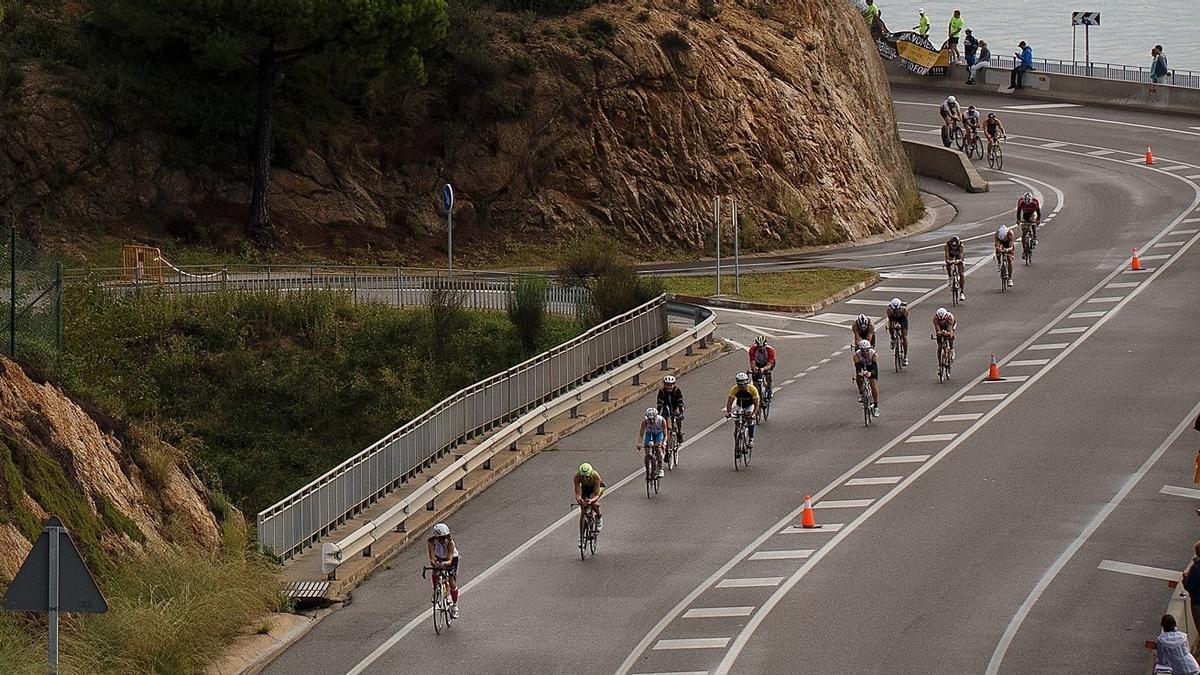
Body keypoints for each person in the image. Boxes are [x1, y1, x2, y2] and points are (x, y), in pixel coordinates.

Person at [427, 522, 461, 618]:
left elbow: (450, 560)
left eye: (446, 536)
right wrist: (434, 562)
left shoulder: (450, 542)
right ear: (436, 537)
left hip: (451, 558)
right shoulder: (431, 542)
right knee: (435, 571)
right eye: (442, 538)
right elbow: (432, 557)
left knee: (451, 580)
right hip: (439, 557)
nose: (444, 539)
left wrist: (443, 564)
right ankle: (436, 591)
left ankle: (455, 605)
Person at [725, 372, 760, 449]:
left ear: (747, 382)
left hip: (749, 405)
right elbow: (729, 402)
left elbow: (757, 403)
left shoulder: (752, 389)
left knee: (749, 419)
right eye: (740, 384)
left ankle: (751, 438)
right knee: (737, 425)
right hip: (740, 405)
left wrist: (754, 414)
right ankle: (737, 444)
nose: (742, 386)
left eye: (744, 384)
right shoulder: (734, 389)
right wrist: (729, 412)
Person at [573, 463, 605, 537]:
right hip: (585, 488)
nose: (584, 478)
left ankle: (599, 516)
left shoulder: (596, 477)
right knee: (583, 511)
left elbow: (596, 494)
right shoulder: (577, 477)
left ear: (590, 474)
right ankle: (581, 536)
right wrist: (580, 500)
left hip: (596, 488)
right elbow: (578, 494)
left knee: (592, 502)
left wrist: (591, 500)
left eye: (586, 477)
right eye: (582, 476)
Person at [853, 339, 880, 416]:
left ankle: (876, 406)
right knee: (858, 377)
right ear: (860, 350)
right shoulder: (856, 355)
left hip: (871, 367)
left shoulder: (874, 354)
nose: (865, 352)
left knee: (873, 386)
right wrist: (860, 373)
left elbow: (875, 368)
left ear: (870, 349)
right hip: (861, 366)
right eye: (863, 351)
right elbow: (857, 368)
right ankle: (861, 392)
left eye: (867, 350)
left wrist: (870, 373)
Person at [639, 407, 668, 479]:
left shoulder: (661, 420)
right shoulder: (644, 422)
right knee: (647, 452)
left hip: (659, 434)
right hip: (649, 434)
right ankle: (647, 469)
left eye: (653, 419)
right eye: (649, 419)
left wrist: (664, 443)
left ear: (656, 416)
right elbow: (641, 434)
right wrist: (639, 443)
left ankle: (661, 469)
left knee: (658, 449)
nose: (651, 421)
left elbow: (665, 435)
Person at [656, 375, 686, 441]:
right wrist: (658, 413)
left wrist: (678, 409)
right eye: (667, 385)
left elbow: (680, 401)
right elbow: (659, 403)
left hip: (676, 406)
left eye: (670, 385)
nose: (669, 387)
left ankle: (679, 432)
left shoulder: (677, 390)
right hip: (666, 407)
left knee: (678, 417)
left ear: (673, 384)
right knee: (664, 418)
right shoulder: (661, 391)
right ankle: (666, 434)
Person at [748, 336, 776, 401]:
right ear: (756, 345)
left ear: (766, 345)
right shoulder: (752, 350)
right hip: (757, 362)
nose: (762, 348)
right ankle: (755, 391)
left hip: (767, 363)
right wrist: (754, 369)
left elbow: (769, 365)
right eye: (759, 347)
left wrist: (763, 369)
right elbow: (752, 362)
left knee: (768, 372)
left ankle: (769, 388)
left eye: (763, 346)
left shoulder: (770, 350)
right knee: (755, 374)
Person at [886, 298, 909, 366]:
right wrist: (893, 326)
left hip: (902, 319)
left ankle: (905, 356)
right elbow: (890, 320)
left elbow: (905, 320)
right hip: (893, 318)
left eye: (898, 309)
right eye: (894, 310)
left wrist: (901, 326)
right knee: (890, 327)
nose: (896, 311)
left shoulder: (904, 310)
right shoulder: (889, 310)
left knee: (904, 337)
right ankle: (893, 339)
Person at [944, 235, 966, 301]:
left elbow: (961, 256)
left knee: (961, 273)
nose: (954, 247)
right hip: (950, 255)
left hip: (958, 256)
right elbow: (946, 255)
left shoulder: (961, 245)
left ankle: (962, 292)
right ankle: (950, 276)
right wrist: (948, 261)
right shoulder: (947, 245)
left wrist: (959, 260)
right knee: (948, 264)